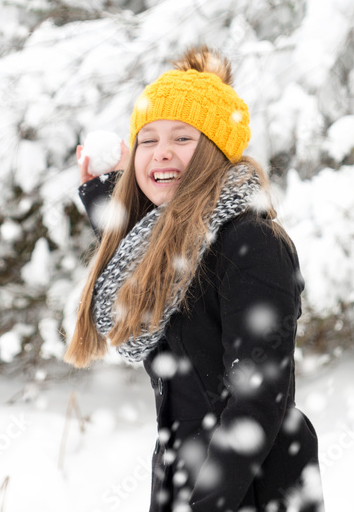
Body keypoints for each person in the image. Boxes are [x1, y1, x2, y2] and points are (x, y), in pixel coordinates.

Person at [65, 46, 323, 512]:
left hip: (248, 490)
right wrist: (108, 198)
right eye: (148, 140)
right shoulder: (174, 244)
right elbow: (143, 269)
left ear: (215, 153)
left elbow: (256, 403)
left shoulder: (251, 244)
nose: (161, 152)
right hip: (187, 477)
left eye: (183, 139)